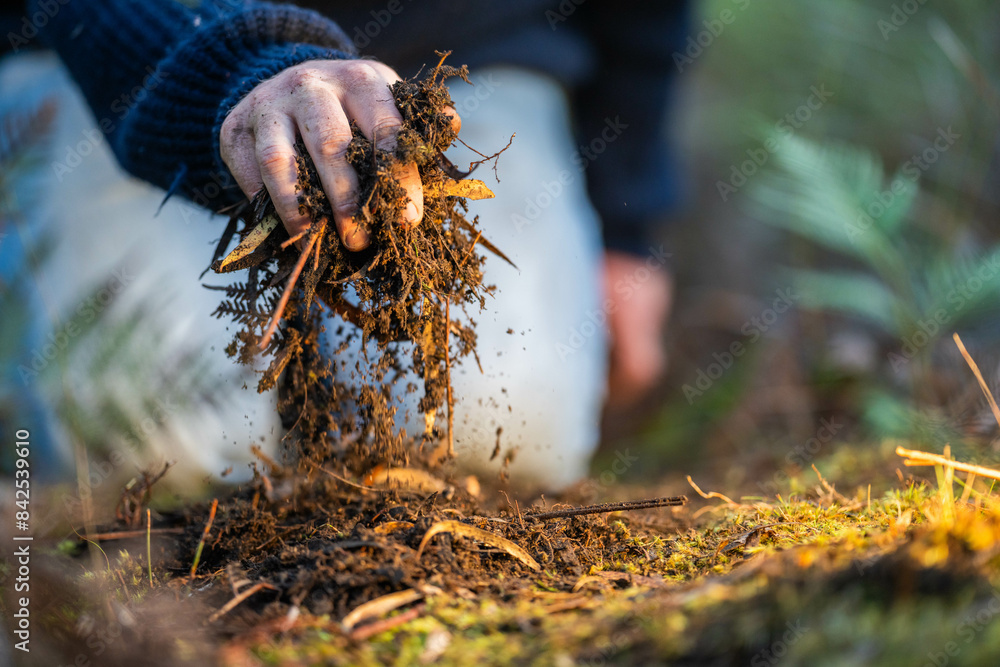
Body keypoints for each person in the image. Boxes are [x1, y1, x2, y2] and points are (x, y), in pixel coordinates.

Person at [12, 0, 686, 488]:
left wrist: (626, 227)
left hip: (462, 53)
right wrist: (236, 66)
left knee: (502, 443)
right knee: (145, 452)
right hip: (117, 58)